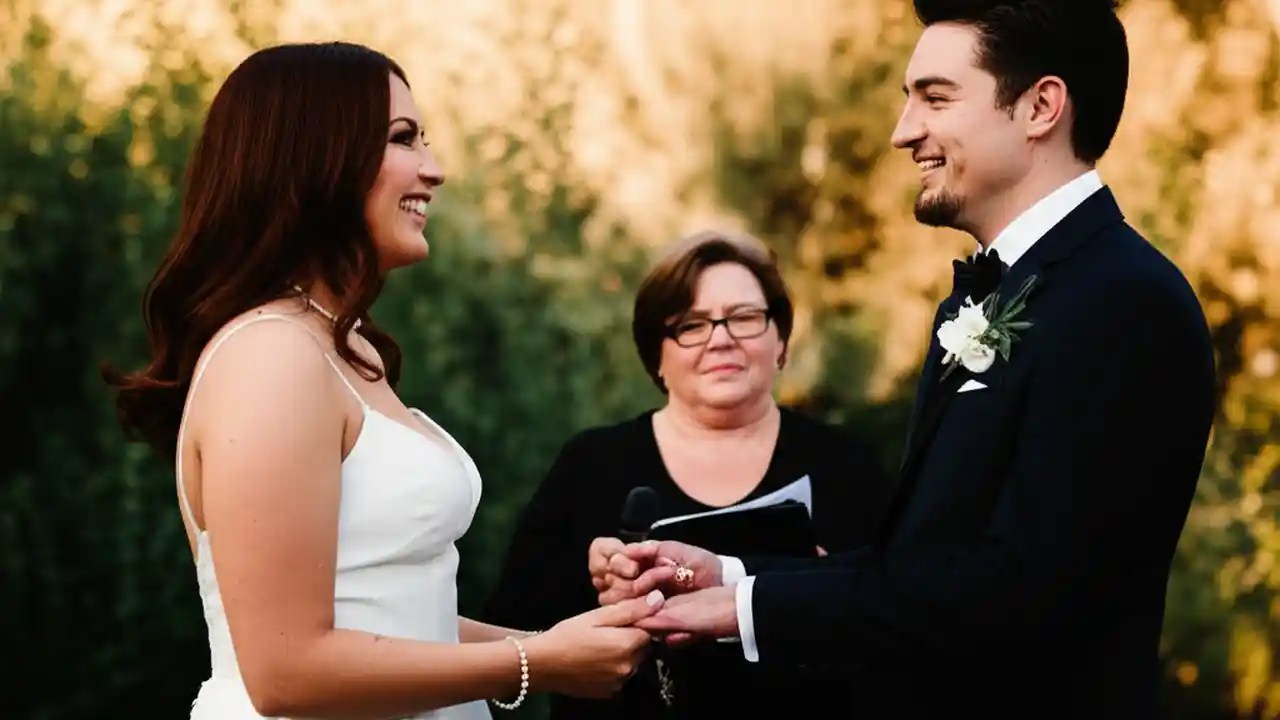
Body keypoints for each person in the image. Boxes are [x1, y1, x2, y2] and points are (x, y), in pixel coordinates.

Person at [590, 1, 1217, 718]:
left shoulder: (1123, 303)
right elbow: (925, 563)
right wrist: (727, 576)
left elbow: (1016, 593)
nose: (903, 132)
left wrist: (740, 608)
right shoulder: (991, 299)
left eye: (936, 98)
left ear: (1042, 106)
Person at [101, 41, 664, 720]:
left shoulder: (346, 346)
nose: (435, 170)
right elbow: (285, 671)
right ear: (314, 157)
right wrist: (536, 662)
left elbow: (401, 620)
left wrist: (566, 649)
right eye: (404, 139)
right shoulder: (271, 357)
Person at [480, 229, 892, 718]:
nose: (721, 339)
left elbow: (898, 628)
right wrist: (595, 592)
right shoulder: (591, 464)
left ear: (780, 340)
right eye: (691, 325)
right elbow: (510, 647)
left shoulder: (846, 465)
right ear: (656, 354)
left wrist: (818, 578)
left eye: (744, 318)